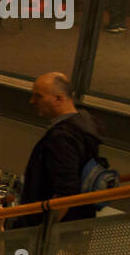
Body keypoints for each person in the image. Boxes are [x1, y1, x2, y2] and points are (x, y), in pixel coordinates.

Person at [12, 72, 104, 228]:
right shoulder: (84, 127)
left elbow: (65, 191)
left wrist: (43, 232)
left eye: (38, 96)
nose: (32, 101)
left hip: (44, 227)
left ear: (58, 99)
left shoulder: (62, 137)